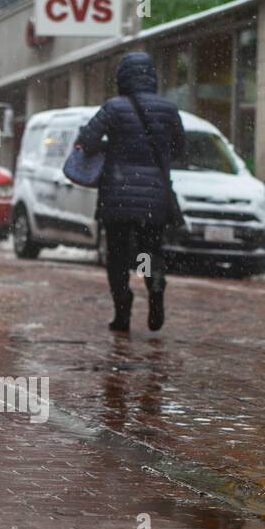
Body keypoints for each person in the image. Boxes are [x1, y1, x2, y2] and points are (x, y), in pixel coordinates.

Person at [76, 52, 185, 332]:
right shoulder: (169, 109)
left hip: (118, 193)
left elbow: (86, 140)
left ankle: (122, 311)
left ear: (122, 77)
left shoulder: (113, 107)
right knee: (150, 249)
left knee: (118, 255)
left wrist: (109, 148)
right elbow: (179, 150)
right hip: (155, 195)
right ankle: (155, 284)